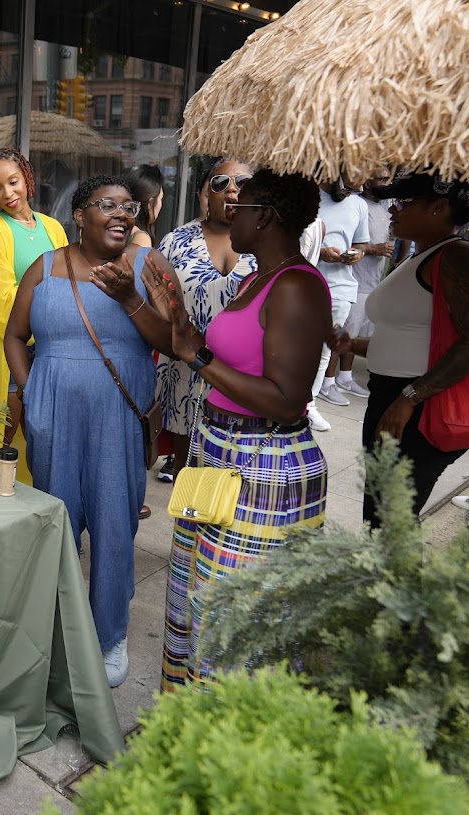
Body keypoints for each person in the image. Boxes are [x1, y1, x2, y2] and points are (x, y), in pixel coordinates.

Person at [147, 169, 332, 692]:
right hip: (221, 451)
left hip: (263, 465)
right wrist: (157, 310)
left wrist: (199, 357)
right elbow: (210, 348)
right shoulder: (257, 276)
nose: (230, 208)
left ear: (267, 217)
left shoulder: (295, 284)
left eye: (242, 205)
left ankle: (227, 736)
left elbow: (287, 398)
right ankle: (189, 721)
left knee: (234, 616)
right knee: (197, 596)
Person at [5, 175, 174, 688]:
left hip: (118, 417)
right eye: (108, 206)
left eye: (129, 207)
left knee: (113, 524)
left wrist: (130, 299)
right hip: (52, 415)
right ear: (79, 215)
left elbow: (175, 339)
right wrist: (31, 391)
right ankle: (54, 625)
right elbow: (15, 336)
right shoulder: (45, 266)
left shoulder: (150, 266)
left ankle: (109, 634)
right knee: (57, 525)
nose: (123, 215)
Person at [330, 173, 469, 527]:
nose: (393, 208)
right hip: (396, 396)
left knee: (390, 522)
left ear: (439, 208)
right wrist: (353, 345)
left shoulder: (457, 255)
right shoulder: (424, 254)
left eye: (405, 201)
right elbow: (412, 335)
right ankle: (385, 583)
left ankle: (395, 584)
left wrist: (409, 398)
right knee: (382, 517)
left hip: (417, 405)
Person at [0, 147, 68, 484]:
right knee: (0, 437)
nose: (8, 193)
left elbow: (69, 282)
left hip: (50, 346)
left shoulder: (53, 227)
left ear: (26, 178)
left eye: (13, 182)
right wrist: (51, 317)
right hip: (10, 348)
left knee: (43, 436)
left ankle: (37, 501)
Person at [155, 159, 257, 482]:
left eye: (241, 182)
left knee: (232, 478)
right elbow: (157, 303)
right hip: (184, 372)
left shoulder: (265, 245)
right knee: (187, 479)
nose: (231, 188)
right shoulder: (175, 241)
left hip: (241, 375)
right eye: (220, 183)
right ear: (204, 194)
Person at [310, 173, 369, 422]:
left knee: (325, 350)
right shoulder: (309, 196)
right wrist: (319, 251)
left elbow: (362, 244)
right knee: (297, 344)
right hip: (307, 282)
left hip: (342, 286)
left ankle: (309, 405)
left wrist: (357, 254)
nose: (352, 192)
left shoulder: (359, 204)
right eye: (348, 187)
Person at [125, 163, 166, 518]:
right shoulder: (143, 241)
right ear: (151, 201)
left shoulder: (117, 232)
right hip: (138, 335)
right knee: (138, 418)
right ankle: (131, 496)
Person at [335, 167, 395, 399]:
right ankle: (334, 380)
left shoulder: (383, 208)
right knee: (346, 334)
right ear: (367, 183)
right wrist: (373, 249)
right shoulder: (355, 205)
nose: (386, 184)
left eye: (388, 179)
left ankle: (345, 378)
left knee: (358, 331)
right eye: (381, 179)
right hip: (355, 280)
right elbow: (350, 241)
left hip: (373, 281)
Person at [126, 164, 165, 249]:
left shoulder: (118, 230)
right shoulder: (141, 239)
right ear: (150, 204)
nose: (161, 205)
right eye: (161, 199)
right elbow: (139, 262)